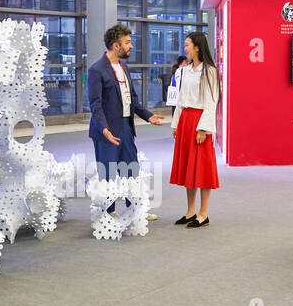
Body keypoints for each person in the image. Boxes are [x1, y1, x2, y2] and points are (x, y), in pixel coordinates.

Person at [86, 24, 166, 211]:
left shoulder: (123, 66)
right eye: (127, 42)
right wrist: (104, 129)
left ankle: (135, 211)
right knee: (108, 174)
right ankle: (109, 213)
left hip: (126, 127)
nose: (131, 46)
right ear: (116, 46)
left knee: (131, 170)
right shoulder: (96, 70)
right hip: (106, 130)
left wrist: (148, 116)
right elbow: (95, 105)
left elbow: (133, 99)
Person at [170, 30, 221, 227]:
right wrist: (176, 124)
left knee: (203, 169)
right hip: (185, 120)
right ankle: (191, 212)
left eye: (187, 44)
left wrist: (204, 129)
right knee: (188, 169)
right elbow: (180, 100)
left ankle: (203, 214)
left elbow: (211, 101)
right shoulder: (183, 71)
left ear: (197, 47)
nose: (185, 48)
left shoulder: (210, 71)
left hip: (200, 123)